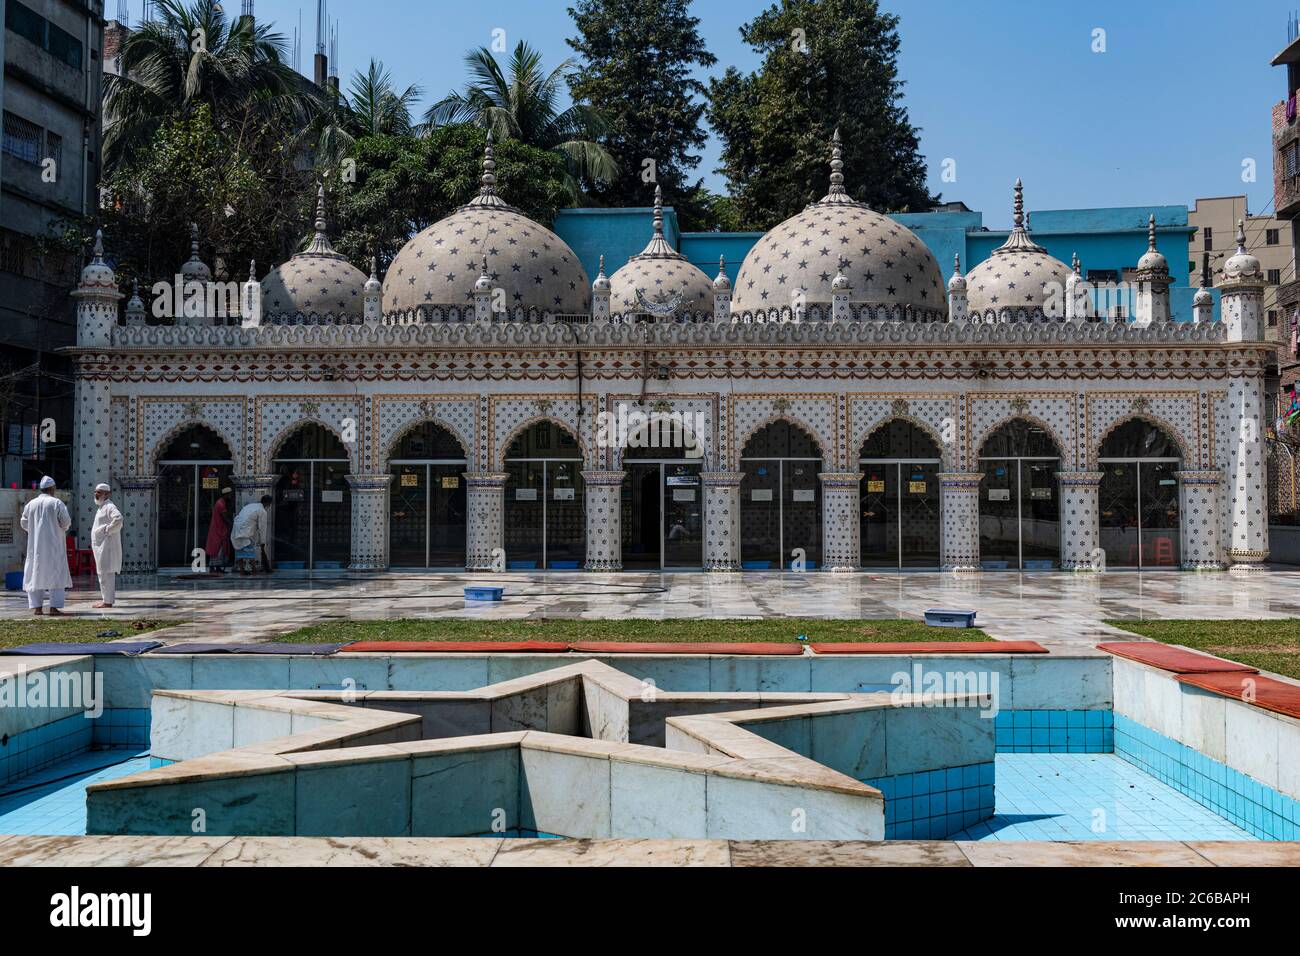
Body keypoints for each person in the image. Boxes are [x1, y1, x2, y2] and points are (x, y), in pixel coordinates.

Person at [20, 476, 73, 616]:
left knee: (35, 573)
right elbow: (66, 522)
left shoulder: (31, 504)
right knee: (56, 574)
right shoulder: (56, 503)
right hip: (54, 546)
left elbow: (24, 523)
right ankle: (54, 607)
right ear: (52, 488)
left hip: (36, 546)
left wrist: (36, 530)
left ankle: (37, 608)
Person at [90, 483, 124, 609]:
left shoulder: (109, 506)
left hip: (106, 546)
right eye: (95, 492)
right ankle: (106, 600)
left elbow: (119, 519)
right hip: (101, 547)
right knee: (102, 574)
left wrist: (107, 530)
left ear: (107, 494)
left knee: (106, 574)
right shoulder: (101, 507)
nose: (96, 494)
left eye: (99, 492)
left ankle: (107, 602)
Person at [231, 495, 272, 576]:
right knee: (250, 551)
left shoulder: (251, 505)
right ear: (268, 503)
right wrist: (262, 542)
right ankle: (254, 570)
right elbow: (262, 528)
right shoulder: (262, 511)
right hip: (245, 531)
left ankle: (242, 571)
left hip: (237, 529)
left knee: (240, 550)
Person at [205, 487, 234, 573]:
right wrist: (233, 524)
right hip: (218, 530)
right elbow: (225, 518)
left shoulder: (221, 502)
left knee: (219, 549)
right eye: (229, 495)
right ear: (226, 495)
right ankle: (213, 567)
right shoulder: (221, 504)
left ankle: (217, 568)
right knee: (217, 549)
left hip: (219, 529)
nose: (230, 496)